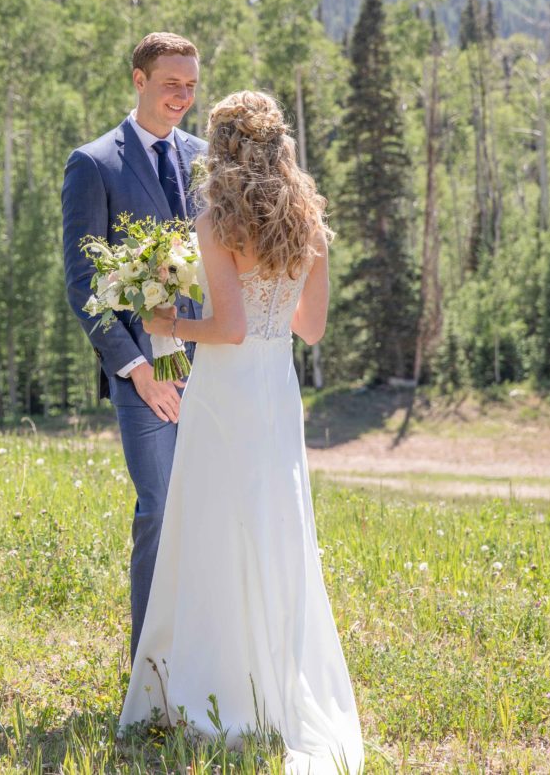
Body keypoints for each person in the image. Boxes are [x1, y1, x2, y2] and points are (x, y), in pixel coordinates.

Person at [118, 90, 363, 774]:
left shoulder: (214, 221)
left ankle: (214, 684)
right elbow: (308, 328)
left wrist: (167, 325)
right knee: (274, 520)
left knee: (214, 523)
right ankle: (275, 676)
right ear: (280, 144)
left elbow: (223, 328)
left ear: (221, 148)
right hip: (275, 390)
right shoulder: (307, 219)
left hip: (225, 390)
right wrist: (270, 297)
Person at [61, 31, 206, 665]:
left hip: (213, 364)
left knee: (209, 510)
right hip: (144, 372)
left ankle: (205, 653)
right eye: (171, 83)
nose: (182, 97)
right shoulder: (94, 164)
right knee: (160, 510)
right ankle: (149, 668)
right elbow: (82, 281)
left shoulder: (206, 157)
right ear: (139, 80)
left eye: (192, 86)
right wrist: (138, 369)